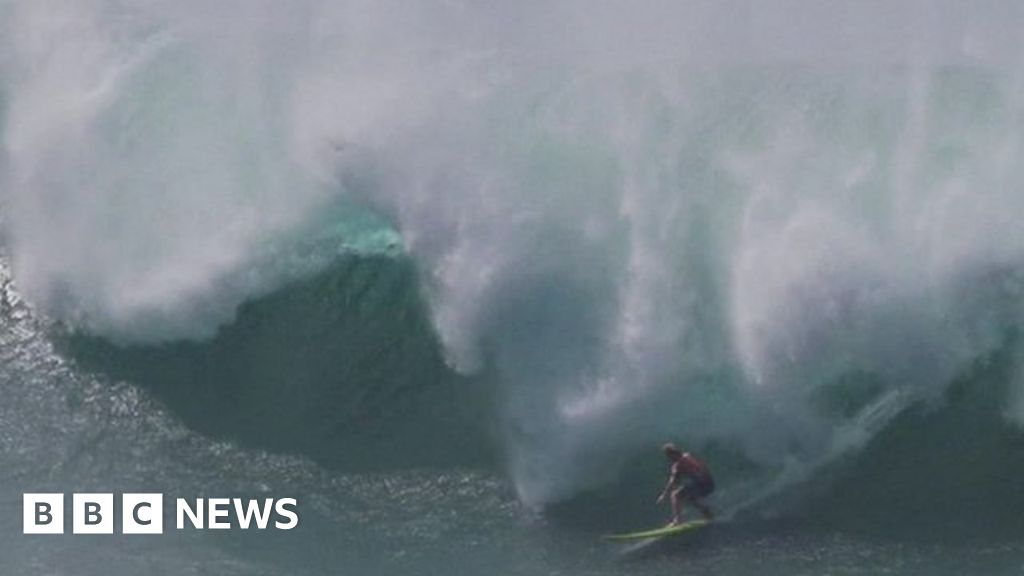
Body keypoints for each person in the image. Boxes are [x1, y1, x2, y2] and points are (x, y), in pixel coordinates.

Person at [656, 442, 714, 526]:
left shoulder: (678, 465)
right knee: (690, 498)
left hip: (702, 484)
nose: (668, 458)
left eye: (668, 456)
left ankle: (677, 521)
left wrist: (663, 495)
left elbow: (673, 482)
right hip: (709, 483)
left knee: (675, 495)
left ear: (671, 454)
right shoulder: (687, 456)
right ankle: (707, 513)